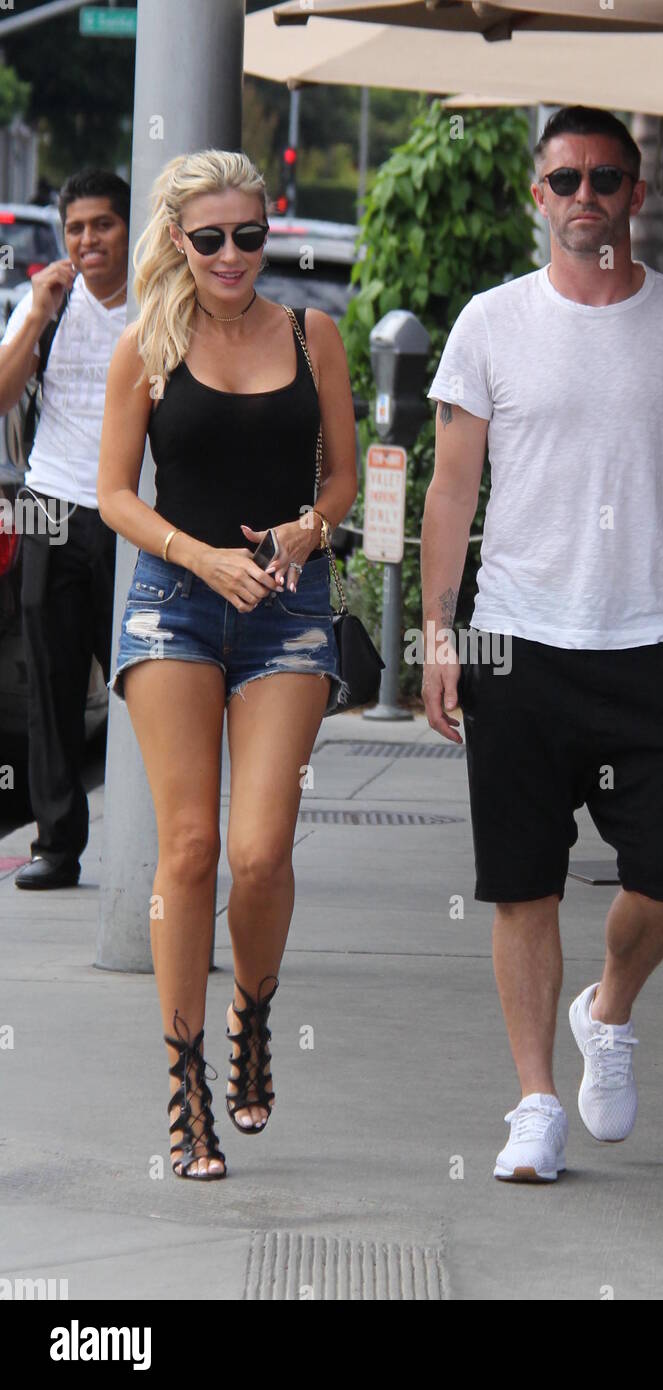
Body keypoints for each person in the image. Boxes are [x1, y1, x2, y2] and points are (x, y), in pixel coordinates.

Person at [421, 105, 663, 1184]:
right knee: (521, 882)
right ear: (538, 196)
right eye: (566, 178)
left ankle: (608, 1007)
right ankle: (534, 1100)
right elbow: (450, 488)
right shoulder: (489, 322)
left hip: (650, 640)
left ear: (638, 193)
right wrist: (439, 636)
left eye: (606, 179)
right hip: (518, 641)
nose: (586, 196)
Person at [96, 150, 357, 1180]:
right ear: (177, 241)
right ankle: (185, 1085)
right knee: (190, 848)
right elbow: (116, 494)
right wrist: (199, 555)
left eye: (250, 234)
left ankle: (251, 1012)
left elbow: (340, 478)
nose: (232, 255)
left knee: (259, 851)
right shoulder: (146, 346)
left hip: (285, 611)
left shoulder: (313, 334)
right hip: (173, 605)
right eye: (210, 238)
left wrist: (308, 528)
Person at [0, 169, 131, 890]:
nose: (87, 241)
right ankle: (57, 841)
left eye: (102, 225)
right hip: (49, 503)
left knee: (139, 680)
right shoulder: (42, 299)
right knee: (48, 680)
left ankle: (159, 829)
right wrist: (42, 315)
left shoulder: (154, 303)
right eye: (76, 228)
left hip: (125, 513)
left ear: (127, 227)